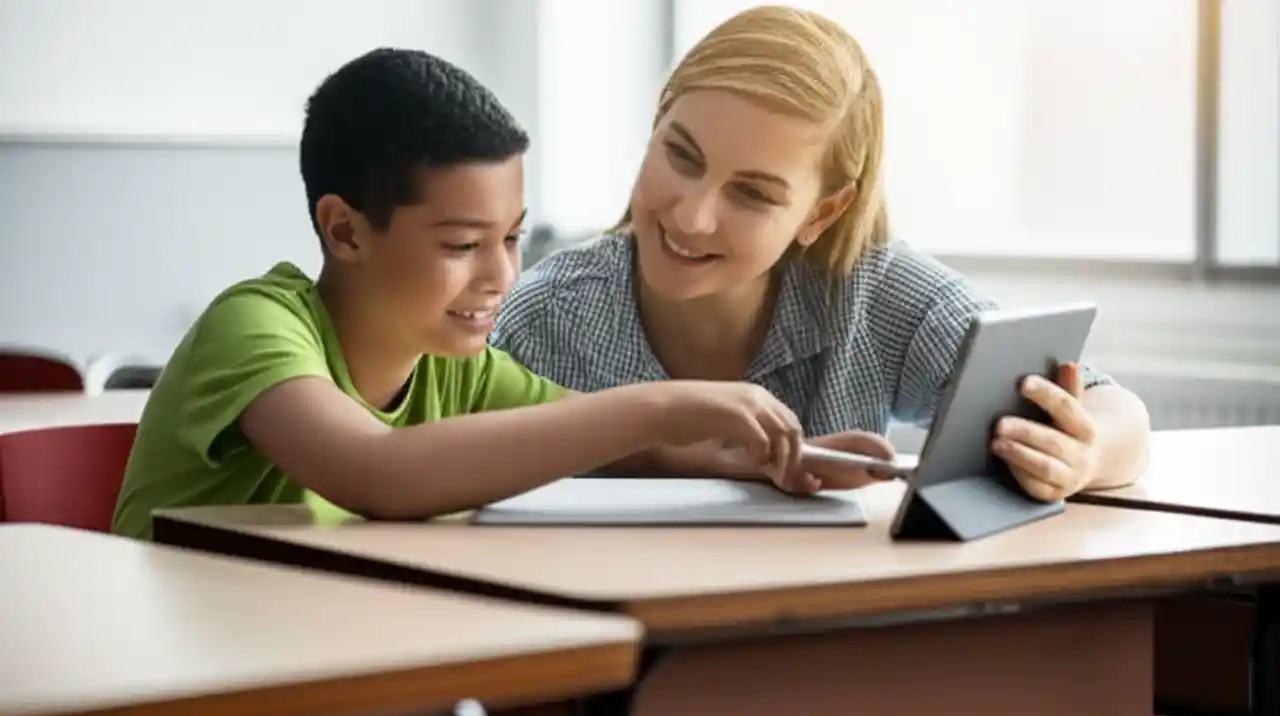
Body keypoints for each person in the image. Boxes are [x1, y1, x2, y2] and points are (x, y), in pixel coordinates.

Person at [111, 48, 835, 540]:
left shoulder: (460, 367)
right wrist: (663, 401)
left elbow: (619, 449)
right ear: (345, 230)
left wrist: (780, 457)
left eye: (512, 238)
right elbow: (377, 473)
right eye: (461, 245)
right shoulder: (255, 326)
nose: (501, 276)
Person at [492, 6, 1151, 502]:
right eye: (681, 156)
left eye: (752, 195)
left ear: (821, 213)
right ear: (656, 124)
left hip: (824, 639)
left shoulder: (875, 293)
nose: (692, 216)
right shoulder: (550, 315)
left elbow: (1115, 412)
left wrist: (1084, 456)